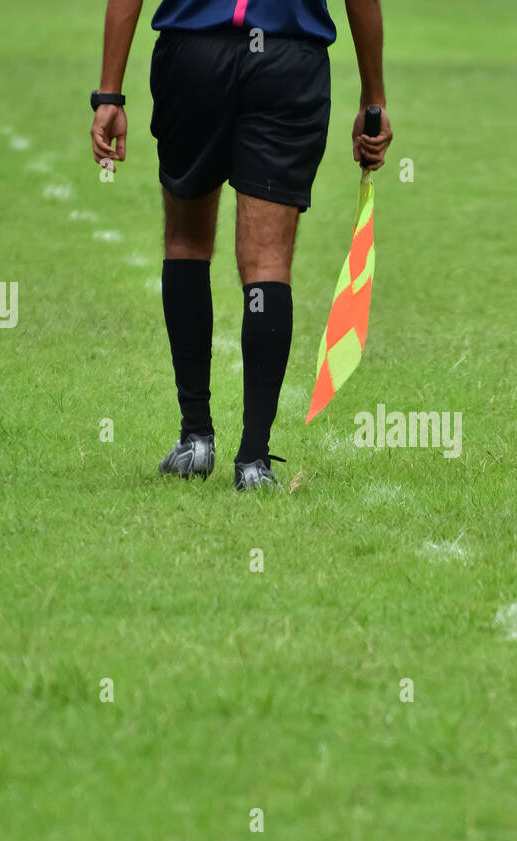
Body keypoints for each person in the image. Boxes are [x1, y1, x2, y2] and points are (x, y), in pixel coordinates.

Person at [90, 0, 392, 489]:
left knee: (186, 240)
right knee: (268, 260)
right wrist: (373, 99)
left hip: (194, 55)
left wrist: (109, 94)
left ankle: (195, 439)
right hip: (288, 61)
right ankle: (253, 460)